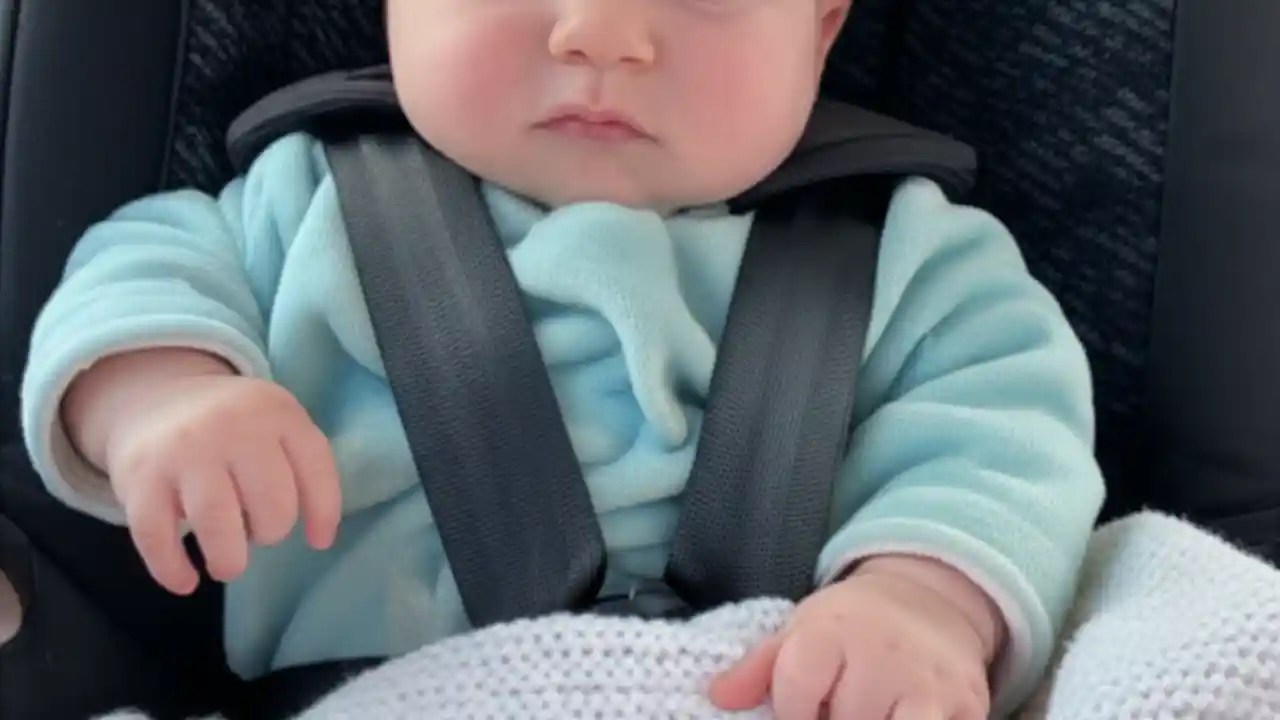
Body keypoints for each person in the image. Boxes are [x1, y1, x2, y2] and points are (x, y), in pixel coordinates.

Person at [21, 0, 1104, 717]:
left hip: (775, 686)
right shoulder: (303, 209)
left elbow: (1005, 444)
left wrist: (921, 603)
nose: (599, 33)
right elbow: (136, 274)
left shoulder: (919, 261)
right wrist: (163, 399)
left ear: (817, 26)